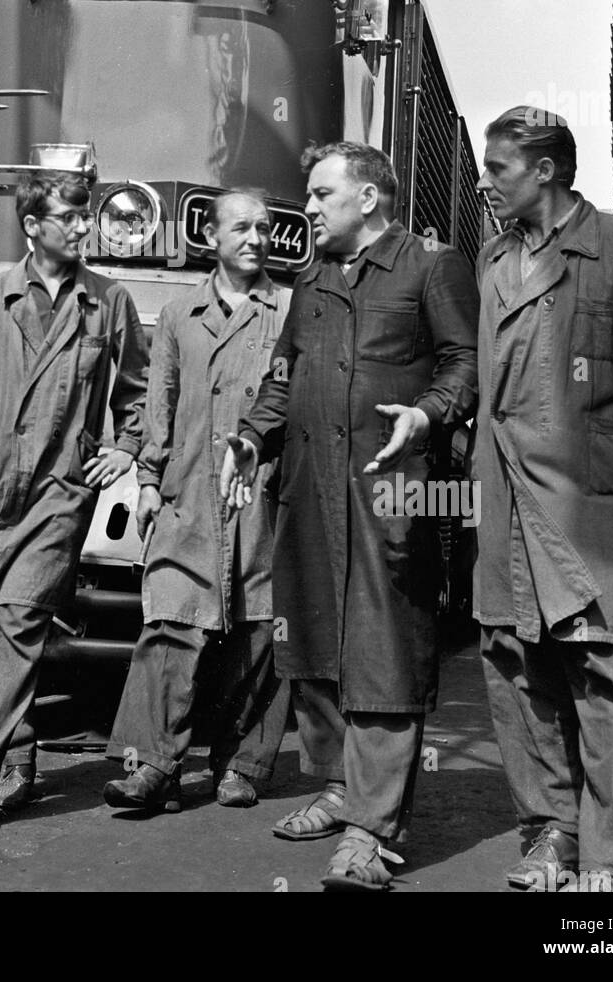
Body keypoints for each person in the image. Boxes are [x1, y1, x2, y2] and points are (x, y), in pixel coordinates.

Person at [221, 142, 479, 890]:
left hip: (390, 491)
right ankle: (336, 788)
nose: (306, 207)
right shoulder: (312, 282)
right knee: (312, 645)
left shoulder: (431, 266)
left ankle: (371, 832)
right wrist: (248, 437)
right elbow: (283, 376)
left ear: (367, 199)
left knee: (383, 655)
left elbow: (465, 362)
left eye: (319, 194)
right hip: (308, 491)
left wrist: (428, 417)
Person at [473, 107, 613, 891]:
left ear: (545, 170)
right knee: (517, 666)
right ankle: (550, 837)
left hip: (589, 503)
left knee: (605, 668)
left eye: (498, 168)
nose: (485, 181)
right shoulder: (493, 258)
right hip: (504, 495)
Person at [0, 169, 149, 829]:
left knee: (20, 621)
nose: (84, 228)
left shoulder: (108, 302)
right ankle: (20, 762)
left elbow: (138, 387)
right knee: (0, 626)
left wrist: (127, 446)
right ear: (32, 226)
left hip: (60, 486)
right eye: (69, 218)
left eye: (85, 217)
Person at [102, 191, 291, 814]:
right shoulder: (181, 312)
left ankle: (242, 763)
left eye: (264, 228)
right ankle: (151, 765)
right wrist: (150, 481)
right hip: (187, 489)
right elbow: (160, 401)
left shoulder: (289, 312)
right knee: (171, 622)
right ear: (212, 236)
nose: (256, 238)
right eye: (241, 228)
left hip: (263, 495)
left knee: (258, 630)